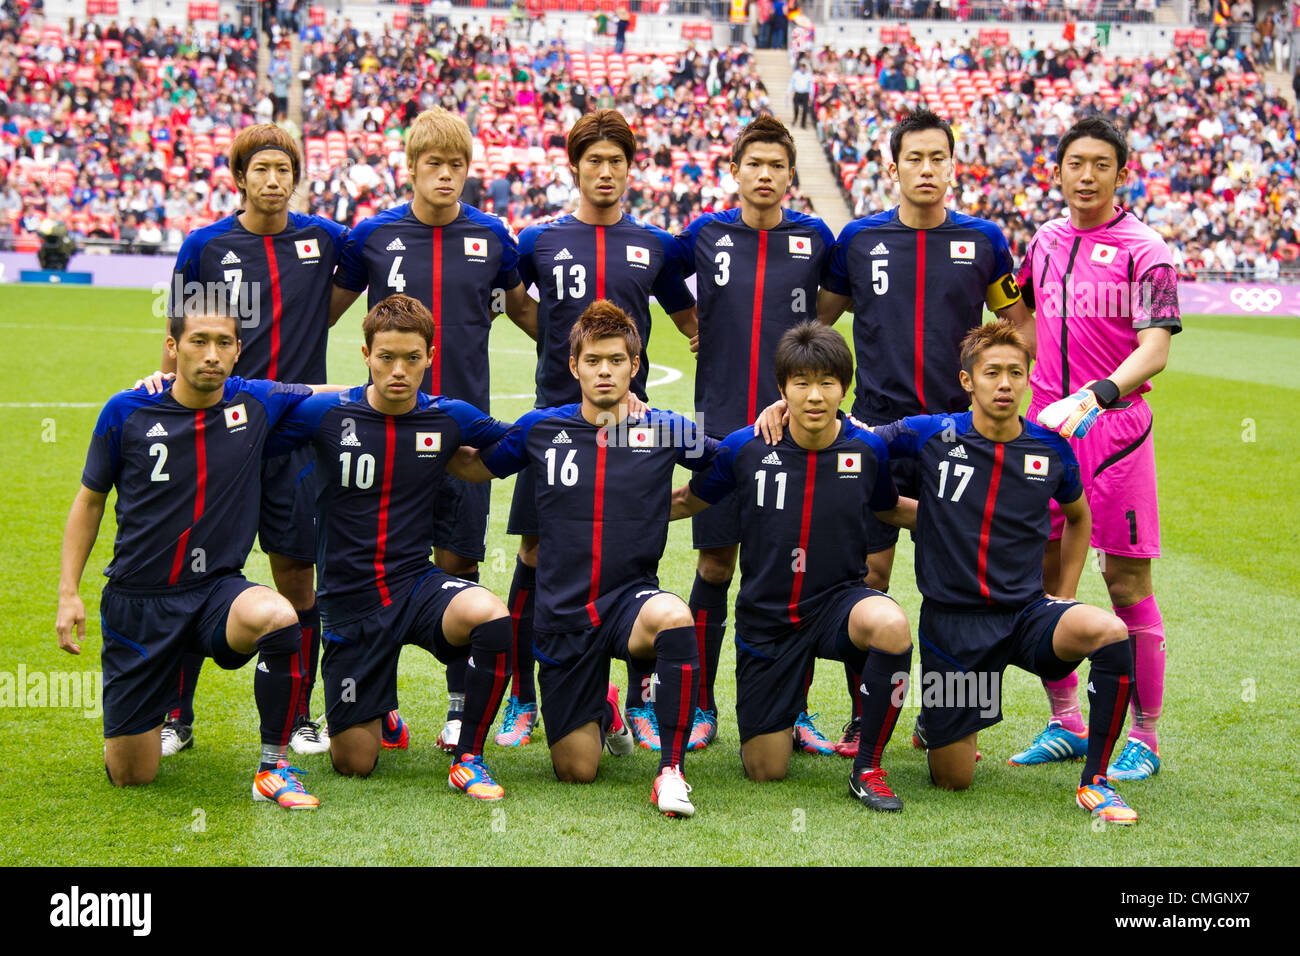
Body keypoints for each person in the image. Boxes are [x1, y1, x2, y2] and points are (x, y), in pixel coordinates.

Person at [57, 302, 342, 808]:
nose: (211, 355)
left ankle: (273, 767)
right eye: (198, 341)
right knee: (131, 775)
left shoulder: (253, 402)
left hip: (214, 592)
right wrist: (68, 593)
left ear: (237, 353)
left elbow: (329, 395)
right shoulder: (125, 410)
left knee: (279, 615)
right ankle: (156, 717)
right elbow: (90, 500)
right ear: (173, 348)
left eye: (224, 344)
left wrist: (393, 383)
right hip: (138, 605)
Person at [815, 109, 1029, 758]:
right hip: (877, 435)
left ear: (952, 166)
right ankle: (865, 717)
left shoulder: (986, 240)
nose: (927, 169)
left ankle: (952, 719)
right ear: (893, 167)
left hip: (959, 439)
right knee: (869, 576)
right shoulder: (856, 240)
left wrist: (1004, 404)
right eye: (915, 158)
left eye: (939, 158)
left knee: (967, 583)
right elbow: (821, 328)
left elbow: (1018, 321)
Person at [330, 109, 537, 754]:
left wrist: (586, 364)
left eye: (456, 167)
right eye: (433, 166)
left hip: (461, 434)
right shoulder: (373, 236)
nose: (445, 176)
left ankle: (457, 706)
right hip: (386, 433)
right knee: (378, 567)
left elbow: (525, 310)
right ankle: (379, 704)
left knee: (459, 563)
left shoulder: (492, 238)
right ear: (412, 168)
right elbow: (320, 311)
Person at [877, 321, 1139, 823]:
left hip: (1026, 616)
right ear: (967, 380)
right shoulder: (931, 433)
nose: (1004, 383)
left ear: (1028, 381)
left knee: (1109, 632)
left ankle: (1096, 781)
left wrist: (1063, 594)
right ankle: (937, 721)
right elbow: (861, 442)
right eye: (991, 372)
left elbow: (1080, 516)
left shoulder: (1050, 447)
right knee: (953, 780)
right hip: (953, 627)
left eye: (1015, 373)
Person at [456, 301, 711, 817]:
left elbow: (732, 460)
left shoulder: (665, 427)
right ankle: (606, 709)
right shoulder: (540, 428)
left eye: (616, 360)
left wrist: (677, 506)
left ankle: (671, 771)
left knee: (674, 616)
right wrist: (420, 427)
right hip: (563, 614)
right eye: (593, 360)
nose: (604, 371)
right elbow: (479, 469)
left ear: (634, 366)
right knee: (577, 770)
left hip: (629, 603)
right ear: (573, 366)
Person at [268, 295, 514, 797]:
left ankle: (469, 756)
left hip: (415, 586)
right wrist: (165, 386)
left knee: (490, 615)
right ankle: (379, 712)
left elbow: (516, 444)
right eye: (386, 358)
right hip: (348, 602)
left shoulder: (450, 417)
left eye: (412, 358)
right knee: (355, 763)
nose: (399, 370)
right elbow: (247, 418)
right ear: (365, 355)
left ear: (430, 356)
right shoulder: (323, 414)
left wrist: (597, 414)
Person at [509, 110, 697, 751]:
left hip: (627, 428)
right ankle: (522, 699)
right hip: (556, 429)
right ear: (576, 166)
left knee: (631, 554)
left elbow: (687, 314)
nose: (607, 171)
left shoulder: (655, 245)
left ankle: (638, 699)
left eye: (617, 160)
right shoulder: (539, 240)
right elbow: (515, 300)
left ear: (629, 167)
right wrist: (569, 355)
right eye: (595, 160)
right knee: (536, 553)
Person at [159, 124, 349, 759]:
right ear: (238, 177)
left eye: (284, 169)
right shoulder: (208, 247)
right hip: (222, 429)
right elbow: (181, 341)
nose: (273, 180)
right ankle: (174, 713)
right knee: (195, 569)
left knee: (297, 575)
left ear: (296, 176)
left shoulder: (322, 241)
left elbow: (382, 255)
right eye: (261, 169)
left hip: (295, 434)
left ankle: (299, 717)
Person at [672, 324, 916, 809]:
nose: (815, 394)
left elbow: (891, 509)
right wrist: (606, 505)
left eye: (827, 381)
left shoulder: (867, 451)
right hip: (768, 619)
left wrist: (969, 518)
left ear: (844, 387)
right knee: (766, 770)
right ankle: (784, 715)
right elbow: (688, 500)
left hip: (837, 605)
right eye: (801, 382)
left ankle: (867, 765)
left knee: (890, 623)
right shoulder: (746, 447)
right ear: (782, 389)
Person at [1008, 117, 1180, 782]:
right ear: (1060, 170)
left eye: (1100, 164)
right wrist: (1027, 365)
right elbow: (1018, 308)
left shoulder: (1147, 249)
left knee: (1126, 580)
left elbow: (1156, 348)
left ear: (1119, 172)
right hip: (1049, 432)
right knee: (1051, 577)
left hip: (1115, 430)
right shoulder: (1045, 240)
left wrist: (1098, 394)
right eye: (1076, 163)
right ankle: (1066, 722)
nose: (1086, 175)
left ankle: (1145, 735)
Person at [673, 114, 836, 754]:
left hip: (793, 435)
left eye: (776, 166)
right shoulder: (704, 234)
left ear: (791, 175)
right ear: (734, 171)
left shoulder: (816, 239)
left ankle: (793, 709)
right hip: (718, 429)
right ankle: (701, 703)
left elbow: (830, 312)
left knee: (789, 572)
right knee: (716, 562)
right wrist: (697, 324)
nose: (764, 175)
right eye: (754, 165)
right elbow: (663, 285)